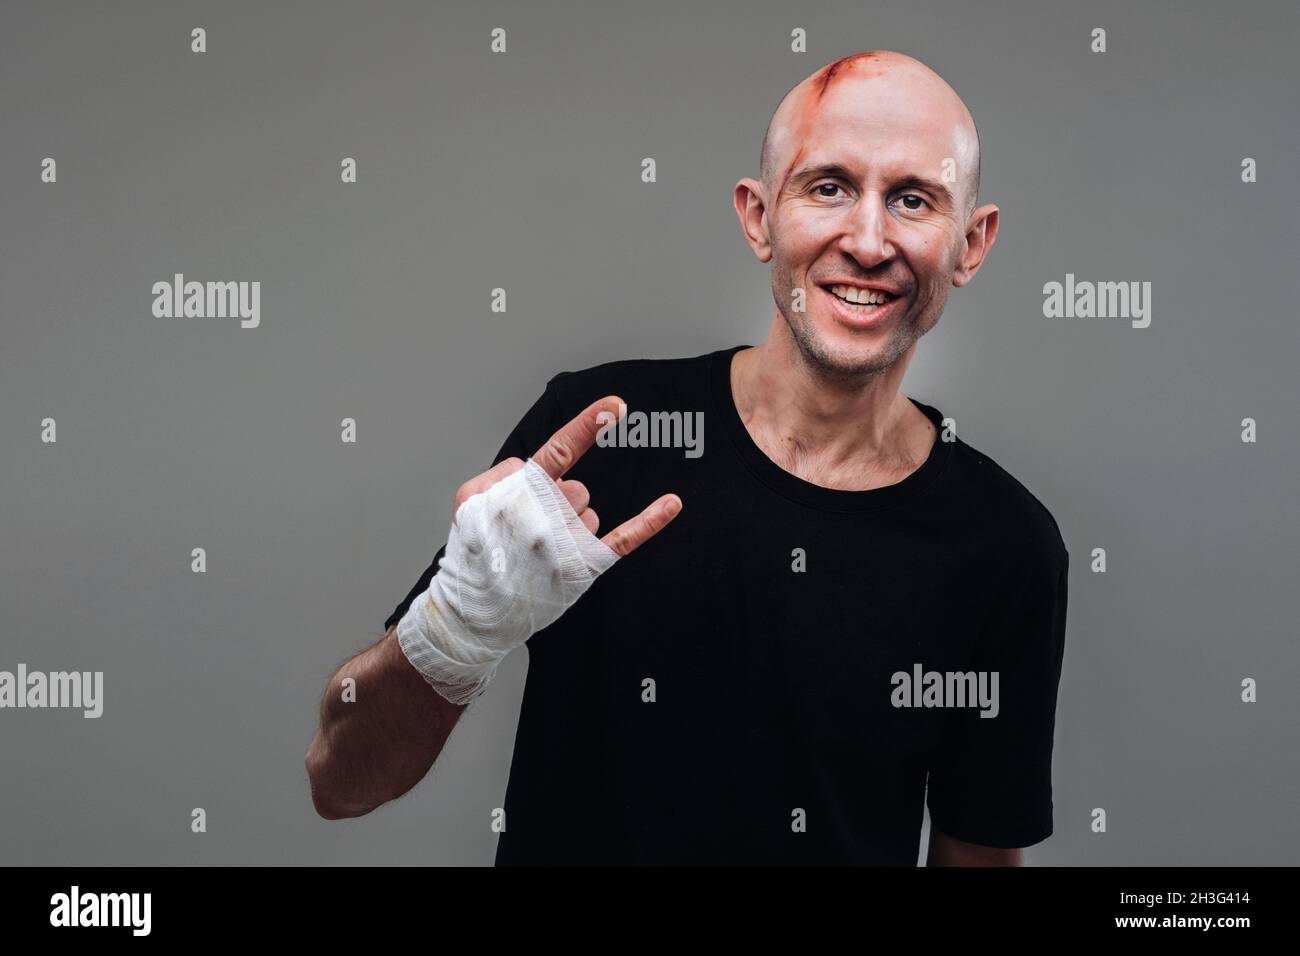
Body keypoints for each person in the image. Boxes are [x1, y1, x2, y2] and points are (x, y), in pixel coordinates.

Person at [305, 50, 1070, 866]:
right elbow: (341, 782)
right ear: (758, 217)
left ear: (971, 243)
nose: (869, 239)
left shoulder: (1005, 545)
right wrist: (458, 625)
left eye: (913, 199)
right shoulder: (602, 432)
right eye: (829, 187)